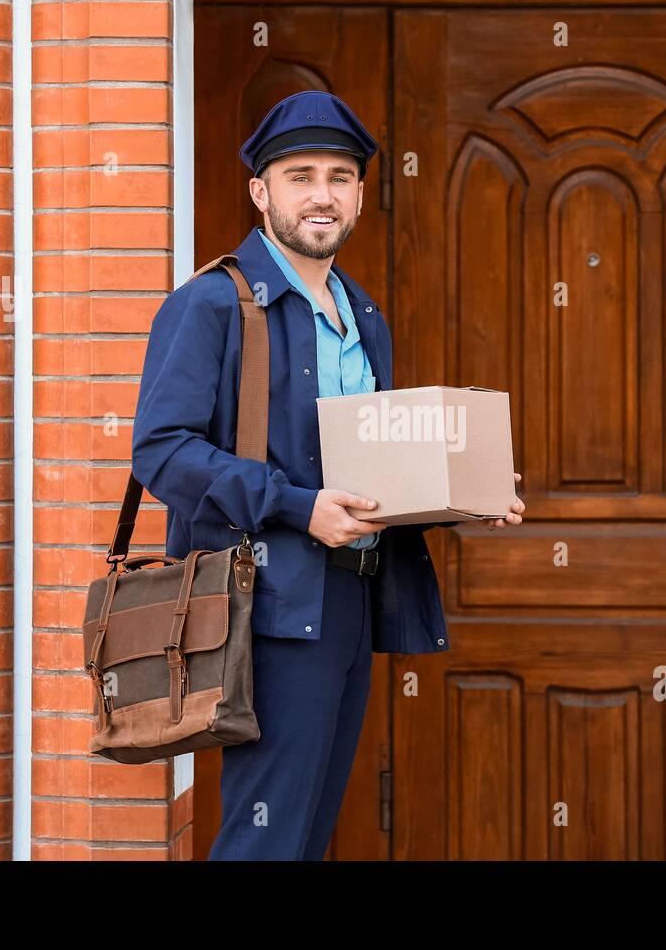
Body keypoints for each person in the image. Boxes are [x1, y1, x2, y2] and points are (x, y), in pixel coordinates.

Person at [130, 90, 525, 860]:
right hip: (265, 607)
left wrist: (462, 498)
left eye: (340, 177)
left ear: (359, 194)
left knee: (305, 836)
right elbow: (161, 451)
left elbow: (367, 467)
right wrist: (296, 506)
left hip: (347, 600)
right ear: (261, 191)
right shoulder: (213, 304)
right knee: (265, 839)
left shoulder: (361, 313)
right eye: (300, 175)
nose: (322, 194)